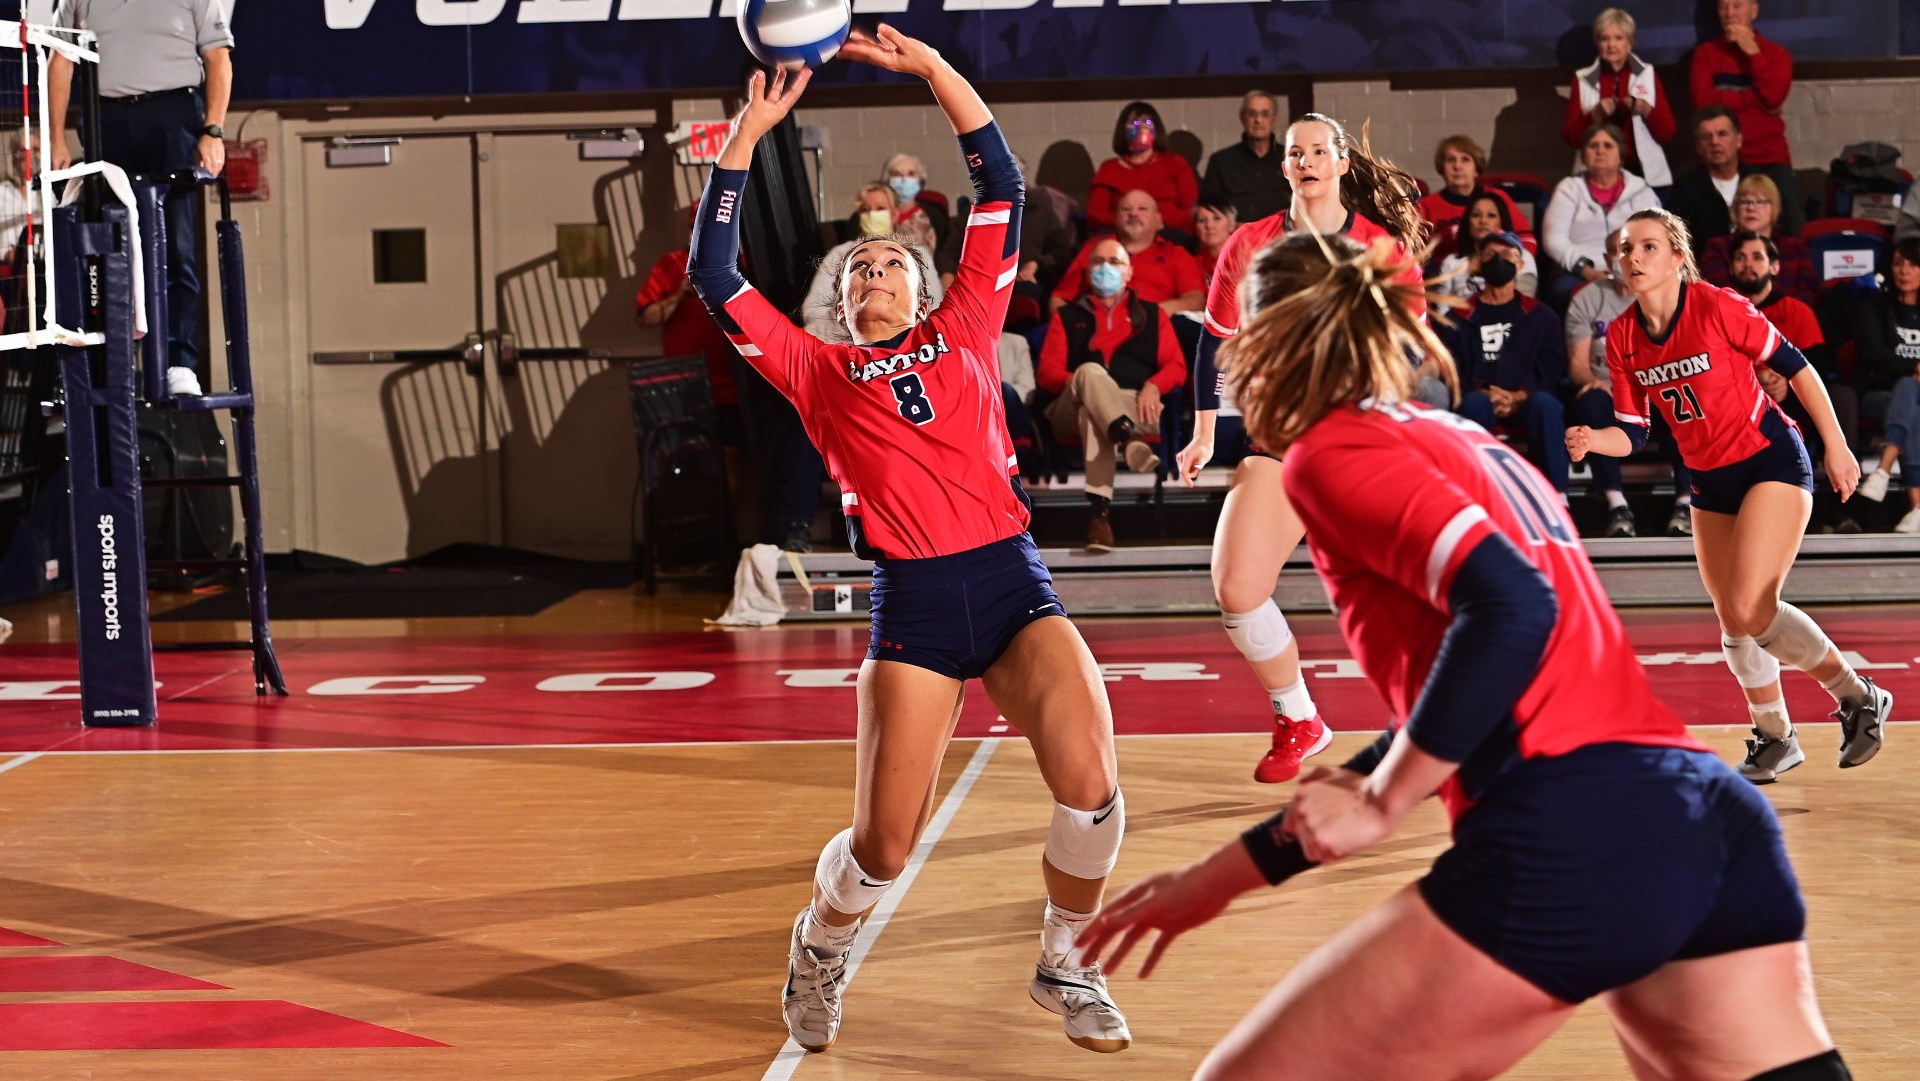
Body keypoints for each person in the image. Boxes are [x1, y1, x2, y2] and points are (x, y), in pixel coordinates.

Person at [1075, 230, 1854, 1081]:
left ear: (1265, 349)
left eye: (1230, 346)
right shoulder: (1455, 439)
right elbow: (1477, 694)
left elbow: (1515, 610)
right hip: (1698, 811)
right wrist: (1232, 871)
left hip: (1566, 828)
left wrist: (1381, 798)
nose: (1225, 370)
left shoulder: (1329, 455)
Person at [687, 35, 1131, 1057]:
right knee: (884, 847)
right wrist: (747, 139)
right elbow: (716, 271)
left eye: (889, 262)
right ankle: (820, 942)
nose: (871, 273)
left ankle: (1067, 957)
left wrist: (935, 75)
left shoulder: (970, 317)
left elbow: (1002, 184)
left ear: (923, 288)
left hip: (1011, 582)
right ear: (840, 305)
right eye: (856, 272)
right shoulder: (814, 368)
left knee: (1094, 786)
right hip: (917, 606)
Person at [1567, 209, 1891, 785]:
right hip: (1709, 480)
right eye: (1625, 248)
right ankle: (1774, 736)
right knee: (1732, 622)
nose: (1634, 258)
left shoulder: (1718, 305)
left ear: (1676, 256)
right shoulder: (1620, 337)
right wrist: (1595, 441)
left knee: (1751, 606)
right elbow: (1636, 433)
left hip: (1770, 460)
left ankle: (1857, 694)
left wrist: (1838, 445)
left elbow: (1800, 369)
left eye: (1647, 246)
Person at [1180, 111, 1430, 785]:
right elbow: (1215, 338)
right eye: (1297, 153)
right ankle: (1299, 716)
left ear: (1343, 163)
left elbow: (1410, 346)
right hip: (1280, 435)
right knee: (1236, 588)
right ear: (1285, 166)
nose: (1308, 160)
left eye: (1321, 150)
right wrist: (1205, 430)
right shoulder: (1250, 243)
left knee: (1414, 597)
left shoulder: (1379, 248)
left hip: (1358, 437)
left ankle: (1458, 731)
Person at [50, 0, 235, 398]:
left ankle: (179, 362)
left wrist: (214, 131)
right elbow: (61, 61)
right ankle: (110, 359)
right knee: (105, 246)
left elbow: (218, 58)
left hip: (173, 115)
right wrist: (55, 140)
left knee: (177, 246)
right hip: (105, 118)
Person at [1036, 237, 1185, 552]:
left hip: (1137, 406)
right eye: (1098, 262)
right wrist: (1084, 384)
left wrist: (1154, 385)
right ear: (1088, 272)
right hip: (1068, 407)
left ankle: (1099, 516)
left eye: (1114, 262)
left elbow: (1177, 365)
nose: (1105, 268)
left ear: (1129, 273)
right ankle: (1128, 439)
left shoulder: (1153, 315)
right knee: (1090, 372)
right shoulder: (1066, 316)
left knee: (1092, 414)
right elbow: (1048, 374)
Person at [1444, 231, 1569, 498]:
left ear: (1520, 265)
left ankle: (1558, 497)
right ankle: (1478, 494)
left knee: (1546, 404)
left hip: (1526, 397)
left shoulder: (1541, 315)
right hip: (1479, 395)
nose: (1498, 260)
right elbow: (1451, 367)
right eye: (1490, 255)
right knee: (1473, 405)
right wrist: (1485, 391)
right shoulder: (1458, 316)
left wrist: (1520, 394)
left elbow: (1551, 367)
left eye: (1507, 255)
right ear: (1477, 263)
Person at [1690, 0, 1801, 236]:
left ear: (1754, 10)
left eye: (1737, 6)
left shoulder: (1776, 55)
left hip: (1769, 158)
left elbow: (1772, 97)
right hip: (1721, 163)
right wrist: (1753, 99)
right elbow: (1706, 107)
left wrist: (1753, 53)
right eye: (1723, 7)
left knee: (1793, 226)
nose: (1729, 14)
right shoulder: (1706, 54)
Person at [1564, 233, 1644, 535]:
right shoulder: (1587, 298)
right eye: (1619, 252)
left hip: (1654, 392)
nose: (1626, 258)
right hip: (1607, 391)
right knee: (1590, 400)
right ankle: (1616, 503)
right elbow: (1578, 365)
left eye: (1633, 249)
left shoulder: (1659, 296)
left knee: (1687, 401)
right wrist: (1595, 383)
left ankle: (1686, 502)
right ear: (1607, 258)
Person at [1541, 124, 1661, 308]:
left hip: (1633, 267)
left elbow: (1657, 235)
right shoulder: (1569, 189)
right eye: (1593, 146)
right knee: (1561, 291)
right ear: (1583, 155)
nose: (1600, 151)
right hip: (1577, 272)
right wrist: (1585, 270)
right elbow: (1553, 240)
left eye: (1608, 145)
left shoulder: (1641, 191)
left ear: (1621, 156)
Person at [1562, 8, 1675, 190]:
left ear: (1630, 43)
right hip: (1597, 174)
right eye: (1605, 39)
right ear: (1597, 43)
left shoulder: (1647, 74)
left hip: (1644, 175)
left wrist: (1646, 110)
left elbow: (1668, 133)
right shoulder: (1582, 79)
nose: (1611, 45)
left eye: (1618, 38)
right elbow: (1571, 138)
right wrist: (1594, 115)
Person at [1854, 236, 1920, 532]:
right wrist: (1914, 368)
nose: (1903, 271)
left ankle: (1883, 471)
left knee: (1915, 407)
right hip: (1879, 395)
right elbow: (1873, 354)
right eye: (1898, 263)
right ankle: (1916, 506)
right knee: (1908, 387)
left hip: (1911, 405)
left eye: (1912, 264)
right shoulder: (1874, 305)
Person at [1052, 189, 1204, 315]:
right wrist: (1072, 328)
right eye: (1126, 209)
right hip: (1098, 327)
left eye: (1142, 209)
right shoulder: (1095, 248)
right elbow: (1060, 298)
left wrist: (1153, 312)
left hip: (1158, 328)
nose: (1133, 214)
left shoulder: (1176, 254)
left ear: (1158, 221)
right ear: (1116, 219)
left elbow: (1196, 299)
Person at [1087, 102, 1199, 234]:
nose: (1140, 127)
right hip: (1122, 234)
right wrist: (1128, 220)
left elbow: (1192, 212)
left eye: (1146, 122)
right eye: (1133, 123)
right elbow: (1094, 216)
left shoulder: (1175, 164)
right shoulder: (1109, 168)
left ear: (1157, 129)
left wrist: (1154, 220)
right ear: (1123, 130)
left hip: (1167, 233)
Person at [1700, 175, 1815, 304]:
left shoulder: (1794, 247)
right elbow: (1717, 295)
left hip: (1787, 319)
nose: (1751, 208)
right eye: (1745, 202)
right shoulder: (1717, 247)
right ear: (1735, 209)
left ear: (1775, 208)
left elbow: (1809, 295)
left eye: (1760, 202)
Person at [1413, 134, 1532, 256]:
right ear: (1442, 168)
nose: (1457, 166)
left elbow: (1527, 239)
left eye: (1465, 159)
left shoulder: (1497, 199)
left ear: (1476, 169)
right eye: (1450, 160)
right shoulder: (1426, 206)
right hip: (1445, 272)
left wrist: (1516, 264)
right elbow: (1412, 250)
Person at [1666, 106, 1747, 260]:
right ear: (1698, 147)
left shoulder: (1758, 182)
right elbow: (1675, 242)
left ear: (1739, 140)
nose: (1715, 142)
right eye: (1706, 137)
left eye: (1722, 134)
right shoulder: (1685, 189)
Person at [1200, 91, 1290, 225]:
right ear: (1242, 118)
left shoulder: (1290, 158)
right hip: (1237, 236)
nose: (1258, 120)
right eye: (1252, 114)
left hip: (1282, 235)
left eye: (1265, 114)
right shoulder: (1221, 160)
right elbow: (1210, 207)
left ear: (1275, 119)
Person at [1433, 193, 1538, 299]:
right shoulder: (1451, 262)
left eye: (1491, 215)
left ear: (1502, 221)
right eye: (1476, 215)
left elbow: (1526, 303)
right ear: (1468, 223)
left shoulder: (1522, 257)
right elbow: (1442, 308)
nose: (1483, 221)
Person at [882, 152, 950, 248]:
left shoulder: (934, 218)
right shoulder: (870, 214)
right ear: (887, 180)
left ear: (921, 181)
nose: (903, 179)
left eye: (911, 174)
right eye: (896, 174)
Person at [1191, 200, 1237, 288]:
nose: (1209, 225)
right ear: (1196, 229)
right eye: (1202, 220)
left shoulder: (1247, 258)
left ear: (1231, 225)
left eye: (1217, 218)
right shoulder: (1192, 265)